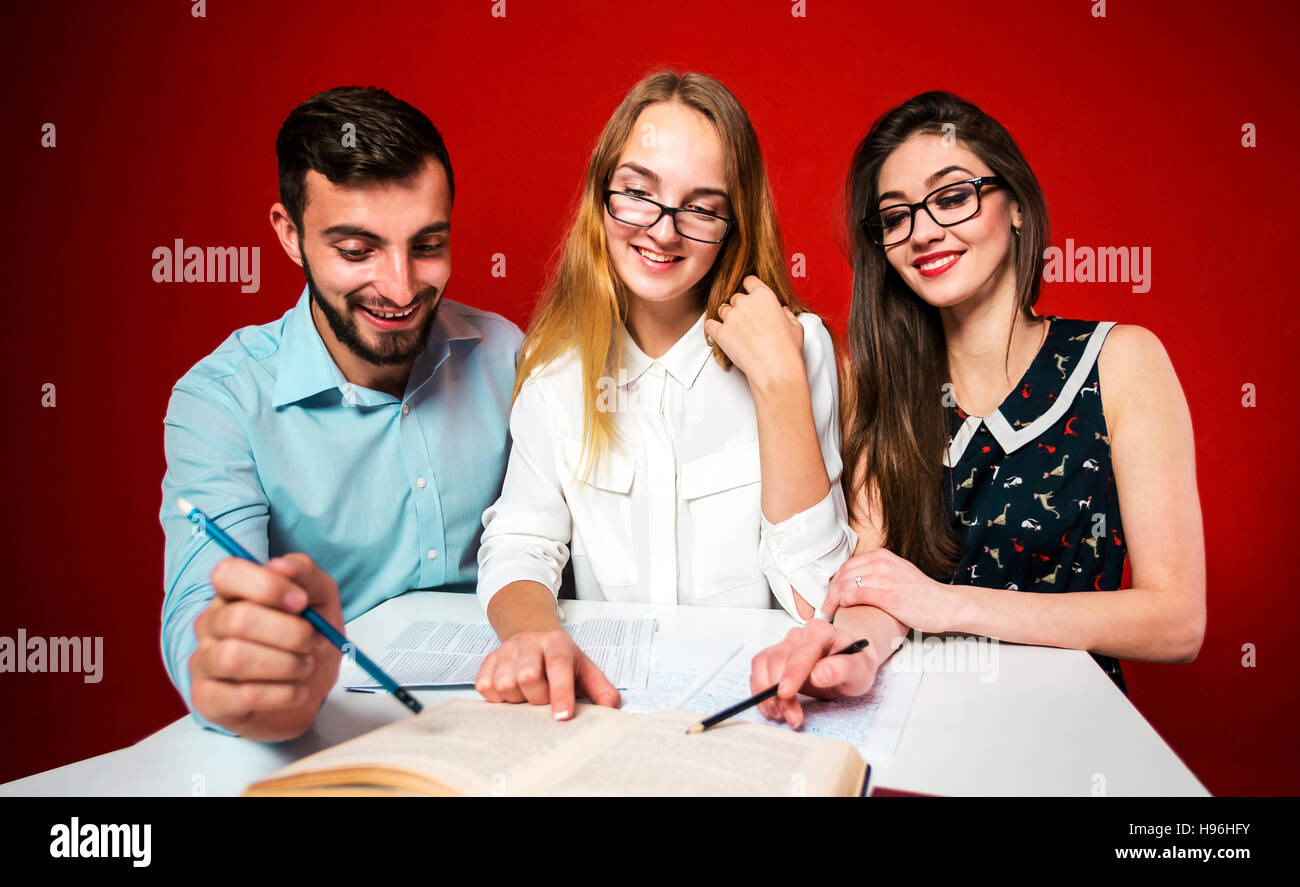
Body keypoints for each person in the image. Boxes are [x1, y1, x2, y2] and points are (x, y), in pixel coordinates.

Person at [751, 91, 1206, 727]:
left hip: (1074, 730)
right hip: (926, 722)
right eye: (895, 216)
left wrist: (948, 605)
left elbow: (1176, 622)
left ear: (1016, 204)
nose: (925, 231)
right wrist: (845, 651)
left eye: (952, 196)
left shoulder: (1121, 361)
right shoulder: (886, 390)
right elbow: (879, 589)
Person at [474, 71, 856, 720]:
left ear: (736, 222)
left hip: (757, 707)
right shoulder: (554, 367)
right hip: (608, 706)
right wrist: (533, 633)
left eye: (702, 206)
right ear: (603, 196)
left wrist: (780, 384)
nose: (663, 230)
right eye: (638, 192)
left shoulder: (799, 345)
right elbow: (520, 542)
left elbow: (821, 601)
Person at [159, 86, 523, 740]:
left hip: (515, 717)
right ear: (289, 235)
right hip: (336, 735)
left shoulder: (511, 358)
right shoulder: (222, 401)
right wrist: (235, 673)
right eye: (357, 250)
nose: (401, 286)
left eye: (427, 244)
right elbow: (203, 612)